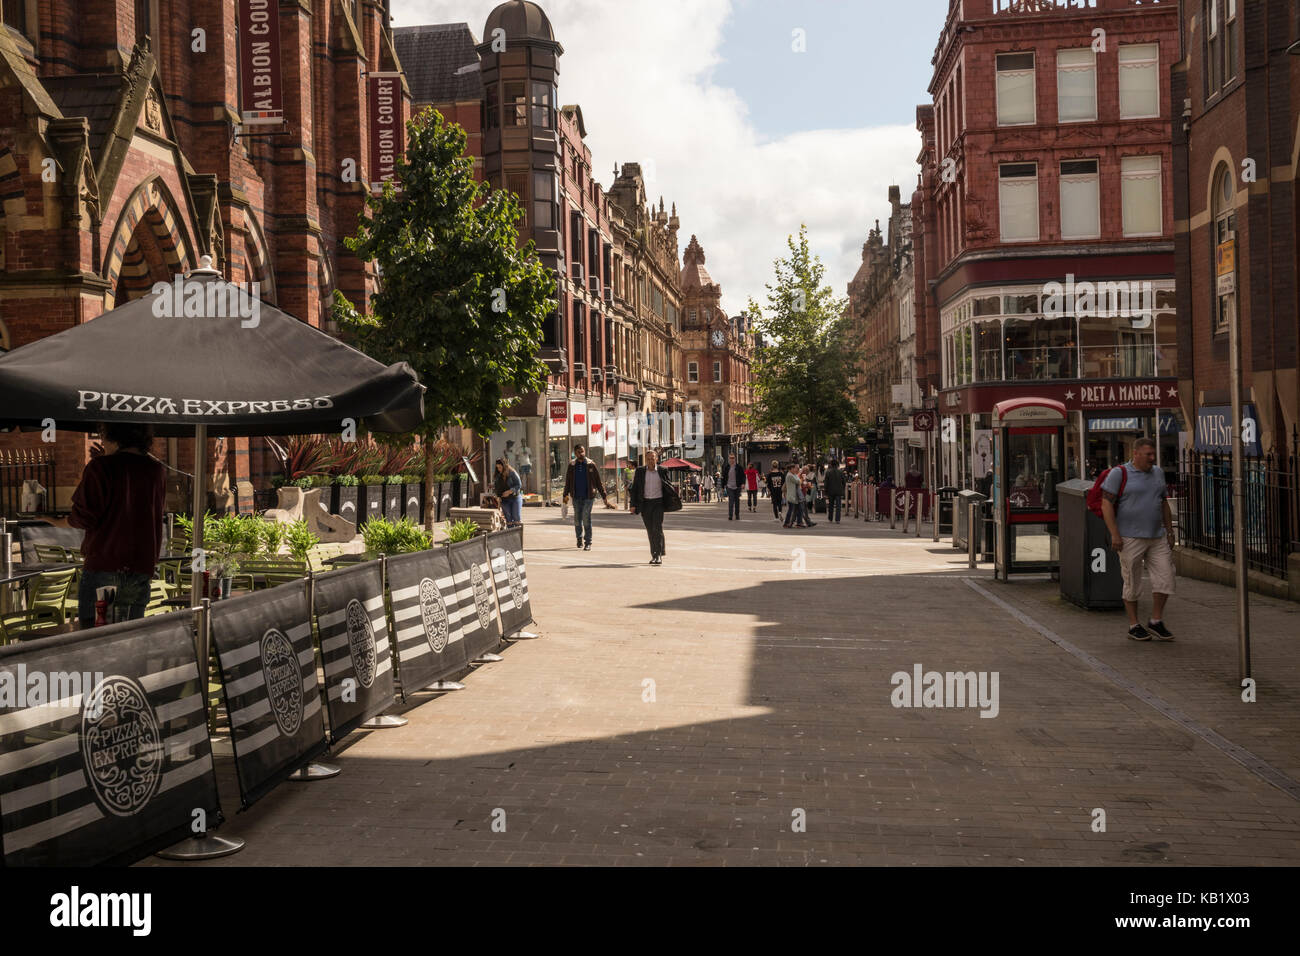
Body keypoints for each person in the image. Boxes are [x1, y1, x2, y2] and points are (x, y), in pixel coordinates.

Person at [68, 422, 167, 627]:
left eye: (103, 435)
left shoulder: (100, 467)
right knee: (129, 635)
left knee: (95, 636)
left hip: (105, 564)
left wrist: (55, 520)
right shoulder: (156, 470)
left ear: (114, 436)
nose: (101, 441)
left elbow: (84, 517)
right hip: (140, 566)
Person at [1100, 437, 1176, 641]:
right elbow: (1106, 504)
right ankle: (1134, 625)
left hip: (1157, 536)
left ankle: (1156, 621)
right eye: (1148, 454)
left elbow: (1163, 502)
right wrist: (1114, 533)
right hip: (1129, 537)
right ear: (1135, 454)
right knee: (1132, 582)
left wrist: (1170, 531)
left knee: (1165, 577)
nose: (1152, 458)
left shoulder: (1158, 473)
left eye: (1154, 454)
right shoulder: (1119, 473)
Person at [563, 444, 611, 550]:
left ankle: (588, 542)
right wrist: (565, 496)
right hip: (576, 497)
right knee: (577, 519)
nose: (581, 454)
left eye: (583, 451)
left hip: (589, 496)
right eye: (579, 452)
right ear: (575, 453)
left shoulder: (591, 464)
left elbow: (598, 482)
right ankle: (579, 539)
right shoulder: (572, 465)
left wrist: (604, 496)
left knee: (586, 517)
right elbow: (568, 481)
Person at [630, 448, 671, 564]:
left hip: (658, 503)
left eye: (652, 458)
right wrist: (633, 505)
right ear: (645, 460)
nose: (650, 461)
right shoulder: (640, 471)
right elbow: (635, 489)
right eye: (648, 459)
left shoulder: (663, 470)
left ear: (656, 459)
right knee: (650, 530)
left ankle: (657, 555)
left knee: (657, 528)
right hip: (645, 504)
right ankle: (654, 553)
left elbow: (668, 487)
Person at [494, 458, 522, 527]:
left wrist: (509, 491)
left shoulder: (512, 473)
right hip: (504, 500)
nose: (499, 469)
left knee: (516, 517)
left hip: (515, 498)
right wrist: (498, 498)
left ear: (504, 466)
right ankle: (510, 536)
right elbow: (497, 488)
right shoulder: (498, 475)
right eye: (497, 468)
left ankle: (518, 536)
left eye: (500, 467)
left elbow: (519, 484)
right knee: (508, 519)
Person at [721, 453, 745, 520]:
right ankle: (730, 515)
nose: (732, 459)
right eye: (730, 458)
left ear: (735, 459)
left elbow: (743, 476)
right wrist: (723, 487)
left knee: (737, 502)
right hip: (729, 487)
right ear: (729, 459)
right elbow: (724, 477)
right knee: (731, 501)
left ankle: (737, 515)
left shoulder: (739, 467)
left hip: (737, 487)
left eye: (733, 458)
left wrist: (743, 483)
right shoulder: (727, 467)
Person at [823, 458, 845, 524]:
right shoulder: (840, 472)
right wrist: (842, 488)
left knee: (831, 505)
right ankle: (837, 519)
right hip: (839, 491)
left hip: (830, 491)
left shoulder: (828, 472)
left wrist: (825, 491)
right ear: (837, 464)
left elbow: (826, 483)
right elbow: (844, 482)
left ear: (831, 464)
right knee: (838, 506)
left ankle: (830, 518)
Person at [782, 462, 803, 528]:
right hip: (792, 496)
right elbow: (798, 481)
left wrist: (797, 477)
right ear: (791, 469)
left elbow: (798, 480)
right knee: (791, 510)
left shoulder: (792, 474)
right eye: (794, 468)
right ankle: (787, 523)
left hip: (794, 495)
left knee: (796, 510)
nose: (795, 470)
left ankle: (794, 523)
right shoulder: (790, 475)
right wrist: (799, 478)